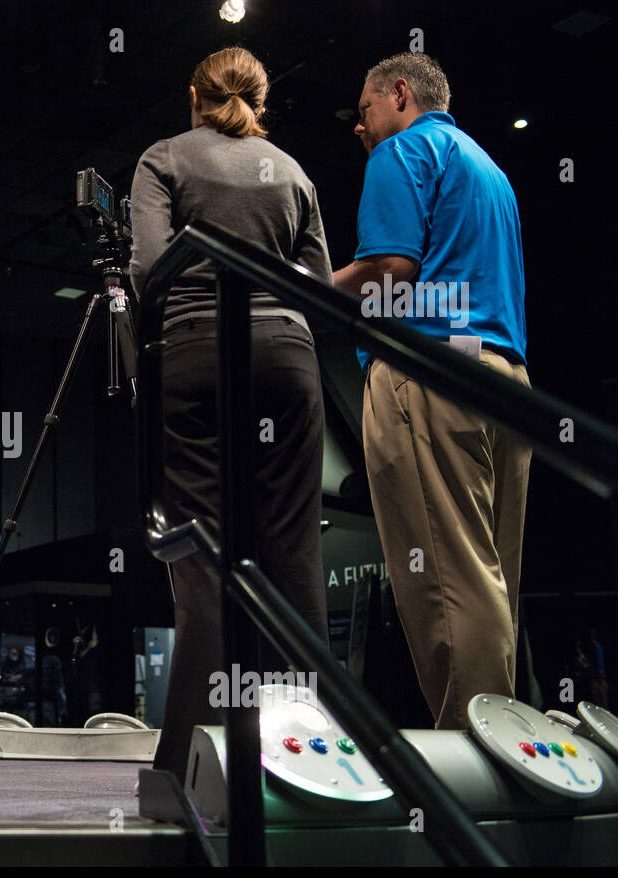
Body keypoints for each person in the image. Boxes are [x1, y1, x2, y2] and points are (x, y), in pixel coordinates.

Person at [129, 47, 331, 780]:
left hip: (197, 356)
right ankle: (315, 759)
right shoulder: (295, 173)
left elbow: (150, 270)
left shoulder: (165, 158)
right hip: (287, 356)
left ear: (194, 96)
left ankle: (188, 759)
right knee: (294, 557)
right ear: (261, 99)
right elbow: (317, 284)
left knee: (203, 556)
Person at [332, 53, 530, 730]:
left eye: (363, 112)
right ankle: (510, 752)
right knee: (489, 578)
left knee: (446, 582)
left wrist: (301, 289)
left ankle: (478, 772)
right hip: (505, 383)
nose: (361, 128)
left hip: (429, 374)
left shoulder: (402, 150)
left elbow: (390, 268)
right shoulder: (490, 170)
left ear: (397, 94)